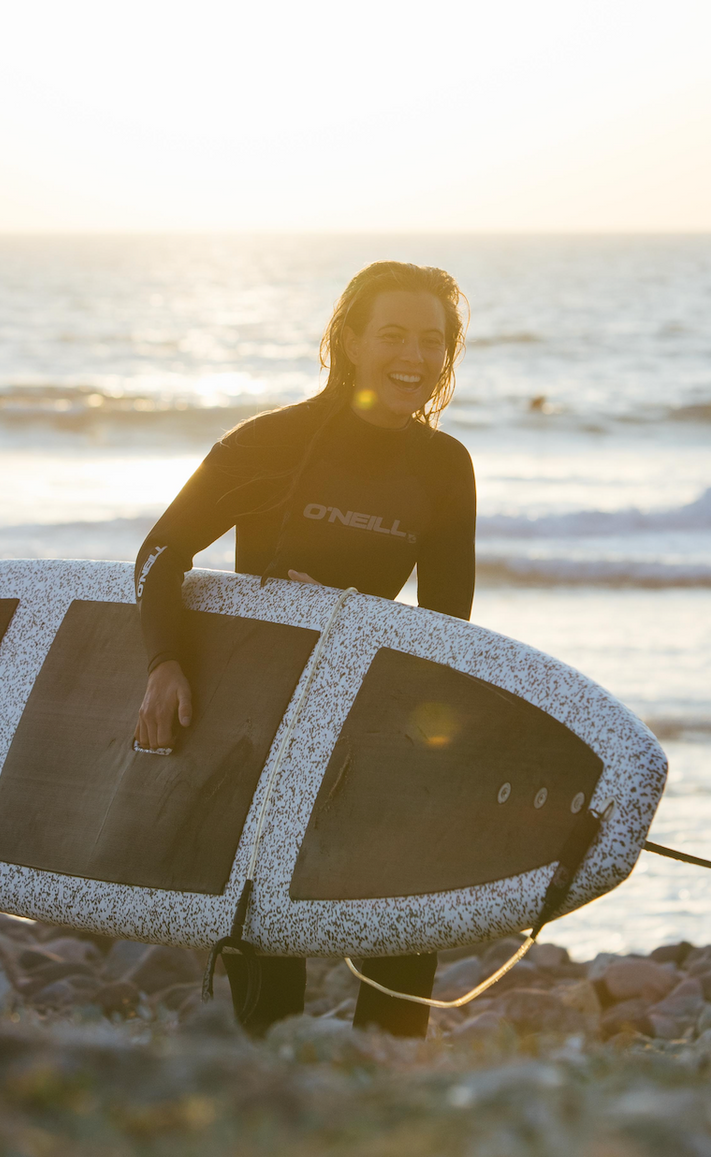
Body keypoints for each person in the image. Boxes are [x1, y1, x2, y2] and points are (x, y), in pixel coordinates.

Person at [133, 260, 476, 1037]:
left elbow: (447, 628)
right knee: (265, 931)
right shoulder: (270, 445)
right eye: (393, 335)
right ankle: (265, 1086)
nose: (414, 357)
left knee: (404, 905)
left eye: (432, 340)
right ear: (350, 341)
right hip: (260, 721)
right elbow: (159, 554)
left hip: (367, 713)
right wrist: (164, 665)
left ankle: (387, 1071)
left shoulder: (446, 468)